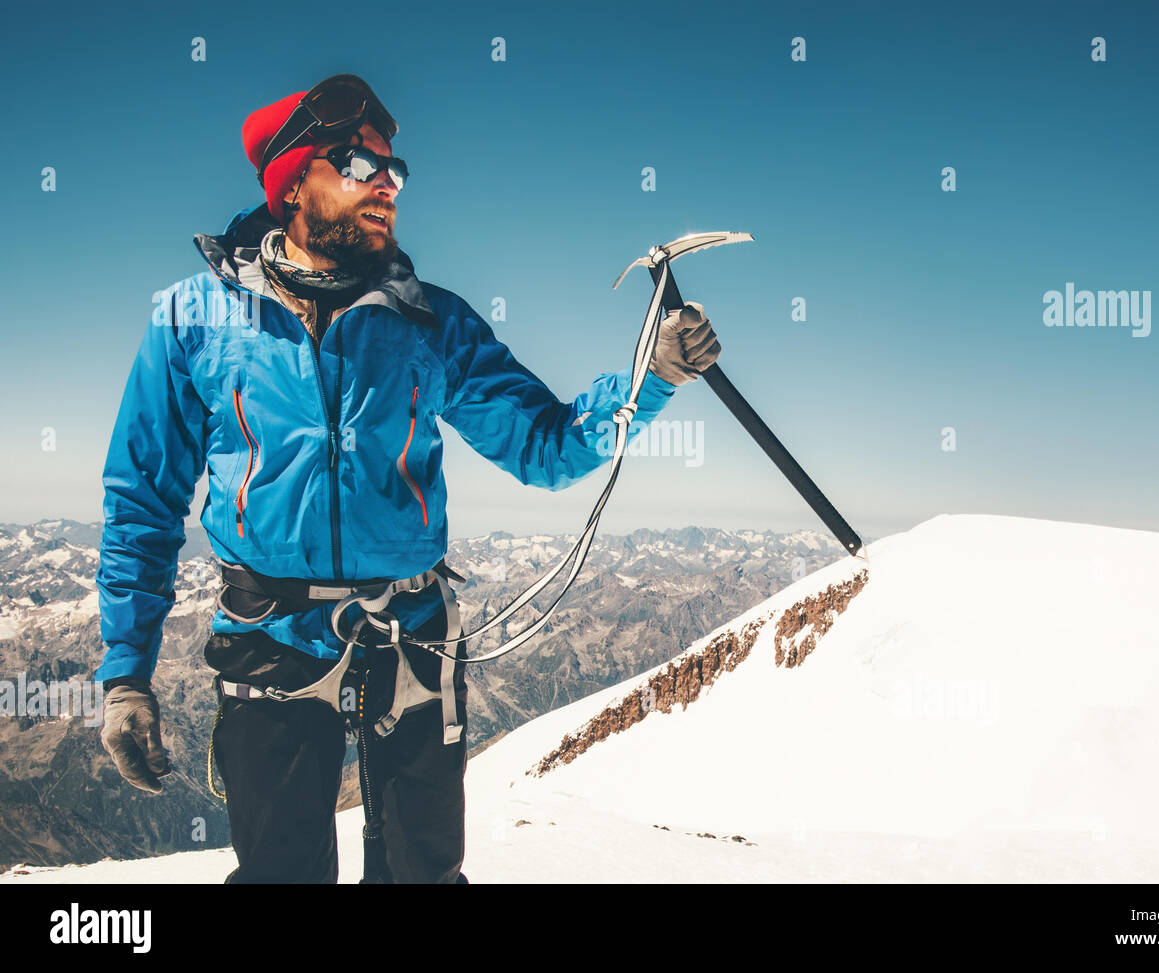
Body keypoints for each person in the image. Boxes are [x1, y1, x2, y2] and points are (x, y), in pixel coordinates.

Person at [94, 74, 721, 884]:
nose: (387, 182)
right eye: (359, 164)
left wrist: (652, 374)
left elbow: (545, 443)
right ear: (292, 182)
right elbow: (142, 499)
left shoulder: (432, 322)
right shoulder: (195, 320)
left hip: (412, 636)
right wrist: (123, 673)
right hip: (267, 636)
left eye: (395, 169)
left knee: (424, 876)